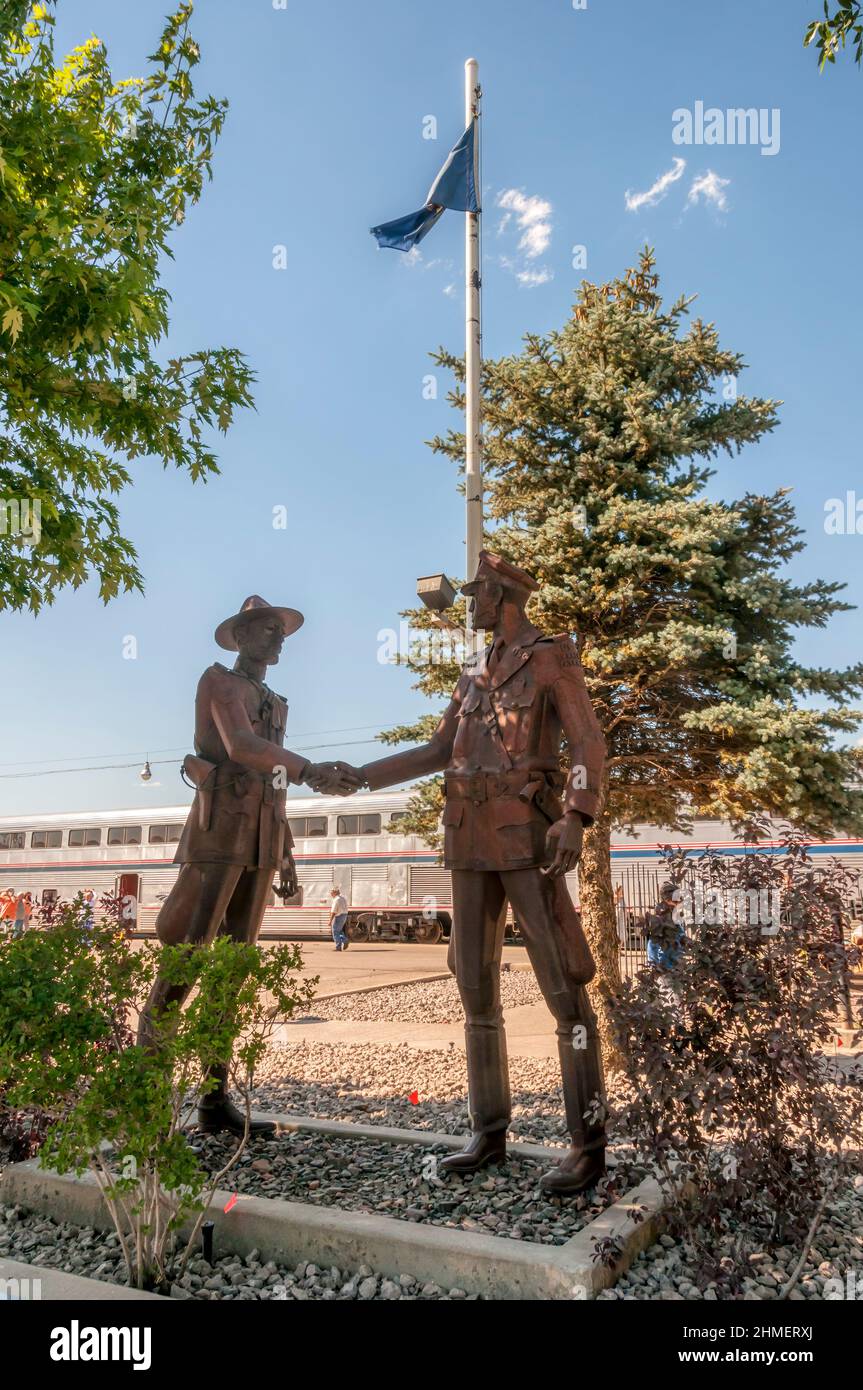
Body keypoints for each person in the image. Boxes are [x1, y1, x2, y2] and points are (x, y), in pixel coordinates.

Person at [341, 550, 608, 1195]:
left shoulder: (551, 657)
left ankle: (588, 1143)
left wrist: (576, 814)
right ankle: (489, 1131)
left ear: (505, 594)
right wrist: (361, 777)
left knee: (563, 987)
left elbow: (589, 743)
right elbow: (440, 750)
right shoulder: (472, 671)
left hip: (525, 834)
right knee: (475, 988)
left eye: (478, 592)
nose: (471, 603)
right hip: (467, 837)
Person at [137, 593, 361, 1137]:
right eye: (266, 628)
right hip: (220, 832)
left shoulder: (276, 701)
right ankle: (142, 1102)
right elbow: (239, 745)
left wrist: (284, 846)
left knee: (232, 974)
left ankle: (214, 1101)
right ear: (240, 636)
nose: (277, 636)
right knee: (185, 961)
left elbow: (275, 777)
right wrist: (310, 769)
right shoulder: (219, 681)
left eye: (281, 630)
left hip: (259, 839)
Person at [328, 885, 350, 952]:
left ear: (335, 892)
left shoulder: (336, 900)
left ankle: (339, 947)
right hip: (344, 915)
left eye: (331, 892)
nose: (330, 894)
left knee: (335, 931)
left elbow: (333, 911)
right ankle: (345, 941)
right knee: (339, 931)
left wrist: (330, 921)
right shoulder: (342, 898)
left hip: (339, 916)